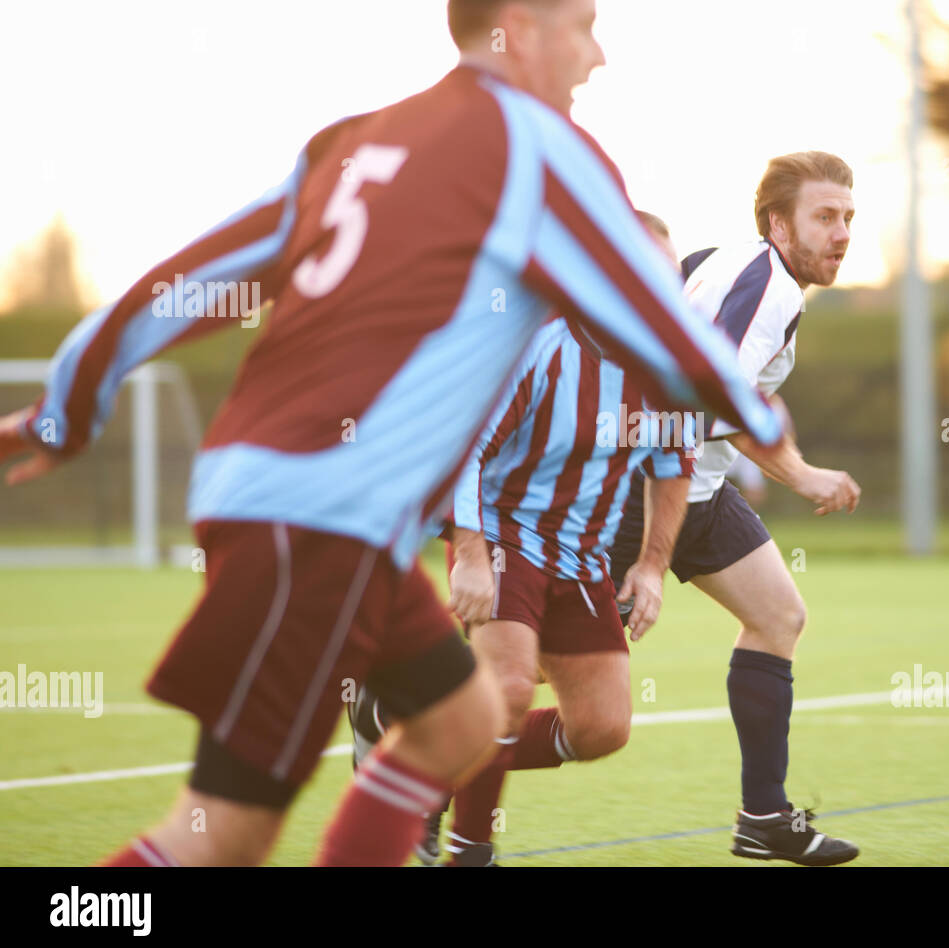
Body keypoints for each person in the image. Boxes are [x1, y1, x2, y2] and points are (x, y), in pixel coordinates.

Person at [0, 0, 780, 867]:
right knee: (219, 837)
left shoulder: (351, 141)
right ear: (518, 26)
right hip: (319, 517)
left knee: (464, 722)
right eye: (585, 25)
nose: (598, 56)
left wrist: (65, 407)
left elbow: (191, 279)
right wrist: (768, 427)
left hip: (292, 501)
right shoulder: (545, 148)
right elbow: (663, 327)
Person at [351, 213, 693, 867]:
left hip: (581, 554)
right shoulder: (540, 344)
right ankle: (469, 851)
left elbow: (674, 467)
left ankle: (406, 735)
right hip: (502, 534)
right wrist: (472, 557)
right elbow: (464, 450)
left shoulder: (671, 370)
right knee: (507, 690)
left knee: (601, 729)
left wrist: (652, 566)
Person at [609, 151, 862, 866]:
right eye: (823, 218)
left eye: (847, 218)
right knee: (552, 665)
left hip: (697, 488)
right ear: (778, 225)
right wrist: (802, 474)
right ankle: (410, 706)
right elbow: (706, 400)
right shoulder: (766, 289)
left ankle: (764, 819)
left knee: (778, 616)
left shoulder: (743, 269)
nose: (841, 233)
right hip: (640, 491)